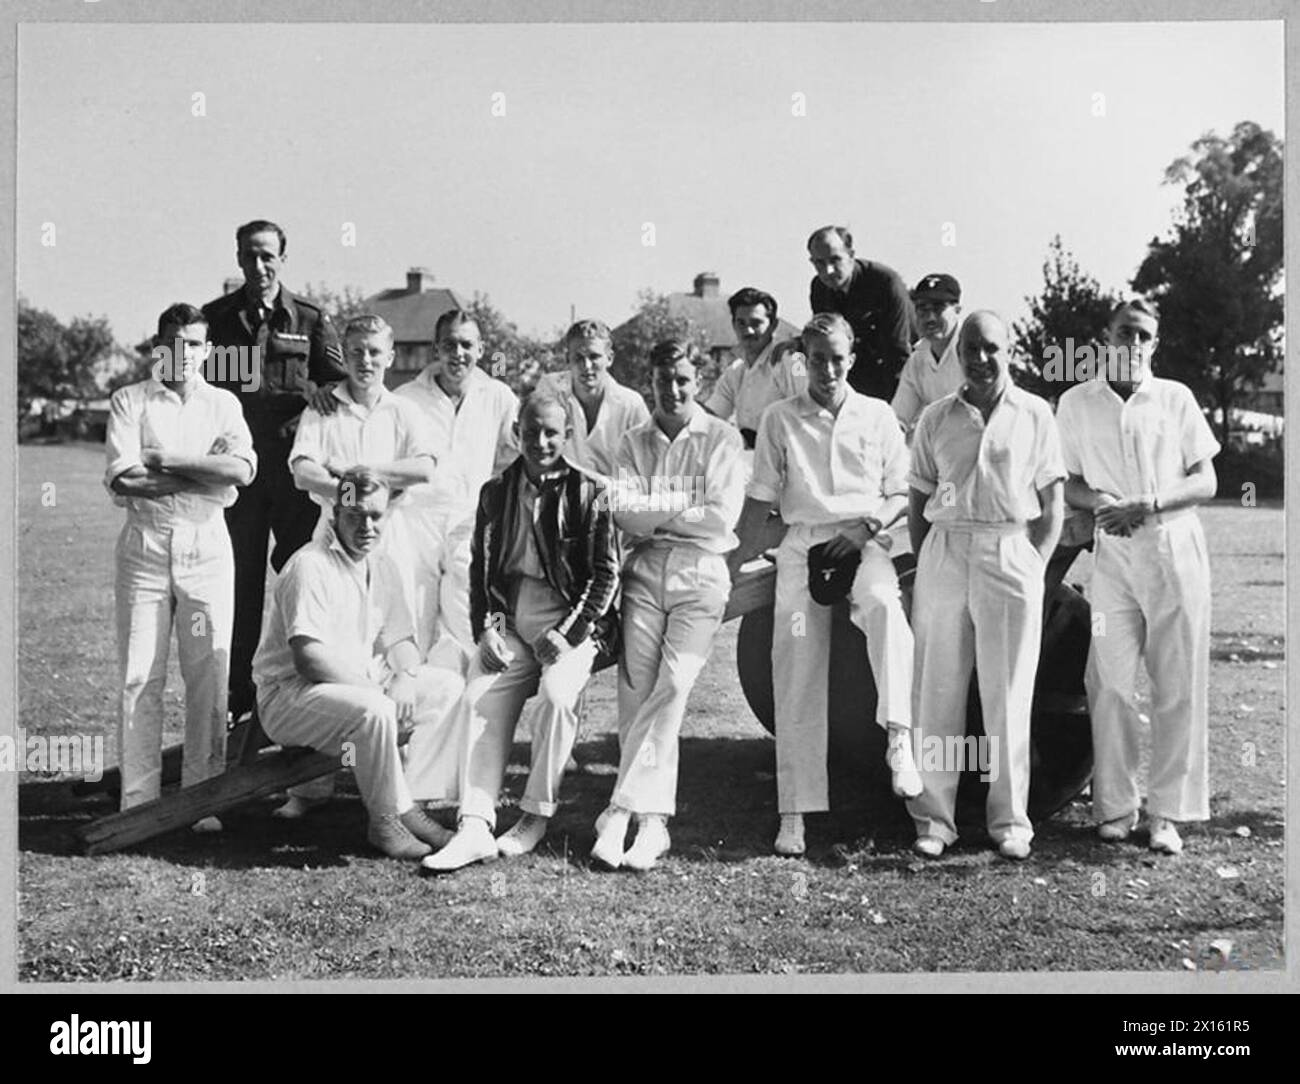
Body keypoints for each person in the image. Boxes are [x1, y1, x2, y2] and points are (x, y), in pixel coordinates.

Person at [730, 313, 921, 857]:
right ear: (802, 361)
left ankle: (900, 739)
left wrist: (867, 529)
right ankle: (795, 811)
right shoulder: (778, 419)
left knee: (886, 607)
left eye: (838, 358)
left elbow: (898, 491)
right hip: (801, 548)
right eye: (817, 359)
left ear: (852, 358)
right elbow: (761, 500)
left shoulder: (879, 415)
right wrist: (729, 565)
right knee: (795, 661)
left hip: (865, 544)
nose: (828, 369)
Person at [420, 393, 620, 872]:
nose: (541, 441)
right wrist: (487, 630)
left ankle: (534, 815)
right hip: (512, 621)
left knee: (555, 696)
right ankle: (474, 825)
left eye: (551, 432)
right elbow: (482, 574)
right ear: (517, 433)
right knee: (477, 698)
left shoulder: (591, 491)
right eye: (531, 432)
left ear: (567, 435)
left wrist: (568, 633)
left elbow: (605, 575)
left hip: (572, 623)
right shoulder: (496, 492)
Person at [1056, 296, 1219, 855]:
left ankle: (1167, 813)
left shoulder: (1175, 398)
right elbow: (1066, 480)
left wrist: (1147, 503)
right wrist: (1100, 499)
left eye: (1144, 336)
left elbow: (1206, 481)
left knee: (1177, 686)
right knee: (1110, 682)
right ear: (1106, 337)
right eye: (1124, 333)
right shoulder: (1077, 402)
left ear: (1156, 343)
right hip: (1114, 559)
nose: (1133, 344)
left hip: (1174, 552)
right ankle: (1116, 807)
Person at [906, 311, 1065, 861]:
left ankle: (1010, 820)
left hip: (1009, 550)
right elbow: (917, 503)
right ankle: (935, 819)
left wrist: (1031, 566)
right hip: (947, 551)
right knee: (938, 690)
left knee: (1008, 692)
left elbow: (1053, 506)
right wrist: (930, 562)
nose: (980, 358)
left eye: (991, 347)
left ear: (1009, 350)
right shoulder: (935, 417)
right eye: (971, 347)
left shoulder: (1035, 415)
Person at [276, 314, 442, 820]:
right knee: (331, 651)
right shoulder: (326, 407)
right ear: (342, 356)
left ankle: (403, 788)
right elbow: (303, 471)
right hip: (332, 539)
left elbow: (425, 467)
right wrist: (350, 493)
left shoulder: (403, 409)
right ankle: (309, 789)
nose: (365, 361)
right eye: (355, 352)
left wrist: (367, 476)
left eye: (374, 352)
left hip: (391, 540)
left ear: (390, 356)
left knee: (397, 648)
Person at [251, 468, 464, 860]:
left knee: (447, 687)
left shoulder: (382, 564)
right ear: (335, 516)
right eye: (354, 515)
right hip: (289, 697)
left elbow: (401, 639)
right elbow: (310, 658)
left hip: (359, 685)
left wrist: (404, 675)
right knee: (378, 709)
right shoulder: (309, 565)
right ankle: (386, 825)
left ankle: (412, 802)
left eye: (375, 516)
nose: (366, 526)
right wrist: (381, 691)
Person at [589, 339, 746, 871]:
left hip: (702, 574)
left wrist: (656, 506)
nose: (673, 390)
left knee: (674, 685)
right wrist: (685, 501)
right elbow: (621, 512)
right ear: (651, 384)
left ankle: (618, 808)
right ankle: (652, 823)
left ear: (696, 380)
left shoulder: (722, 437)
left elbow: (722, 518)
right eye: (663, 382)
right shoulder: (632, 440)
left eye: (682, 380)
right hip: (645, 568)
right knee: (637, 690)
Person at [104, 303, 257, 826]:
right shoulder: (130, 400)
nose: (182, 353)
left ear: (207, 350)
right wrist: (207, 474)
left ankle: (202, 799)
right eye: (172, 342)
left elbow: (242, 470)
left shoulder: (223, 404)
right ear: (157, 346)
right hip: (144, 547)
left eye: (193, 344)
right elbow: (124, 479)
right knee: (138, 675)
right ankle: (139, 801)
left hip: (205, 546)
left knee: (209, 674)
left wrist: (164, 460)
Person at [202, 219, 348, 725]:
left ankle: (292, 693)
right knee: (236, 585)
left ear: (283, 259)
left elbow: (340, 389)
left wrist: (320, 398)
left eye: (267, 256)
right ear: (238, 258)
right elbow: (171, 381)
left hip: (291, 481)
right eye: (249, 256)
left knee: (296, 582)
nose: (258, 266)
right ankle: (235, 701)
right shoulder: (213, 320)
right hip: (237, 478)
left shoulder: (309, 320)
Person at [397, 310, 519, 657]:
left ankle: (469, 705)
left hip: (469, 524)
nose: (458, 353)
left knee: (469, 625)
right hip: (415, 524)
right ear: (436, 349)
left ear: (481, 350)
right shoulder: (406, 398)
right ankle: (408, 706)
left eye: (467, 344)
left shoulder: (498, 395)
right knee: (412, 626)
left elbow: (525, 449)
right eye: (449, 344)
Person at [807, 225, 914, 402]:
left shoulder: (885, 283)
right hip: (853, 379)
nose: (828, 270)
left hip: (896, 377)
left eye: (835, 260)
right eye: (820, 263)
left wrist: (895, 410)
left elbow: (898, 352)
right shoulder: (819, 288)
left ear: (851, 255)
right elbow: (823, 340)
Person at [534, 319, 650, 478]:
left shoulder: (631, 405)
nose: (586, 366)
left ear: (609, 358)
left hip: (615, 496)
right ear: (568, 359)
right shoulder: (550, 390)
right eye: (578, 358)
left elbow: (646, 467)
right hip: (562, 494)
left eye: (594, 357)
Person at [704, 287, 805, 450]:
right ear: (733, 324)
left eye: (756, 323)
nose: (748, 331)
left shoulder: (793, 361)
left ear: (773, 325)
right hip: (750, 462)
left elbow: (810, 411)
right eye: (741, 323)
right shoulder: (734, 372)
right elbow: (710, 418)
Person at [892, 273, 965, 437]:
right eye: (922, 309)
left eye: (938, 308)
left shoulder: (973, 350)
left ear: (957, 310)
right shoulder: (917, 360)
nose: (930, 318)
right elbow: (899, 418)